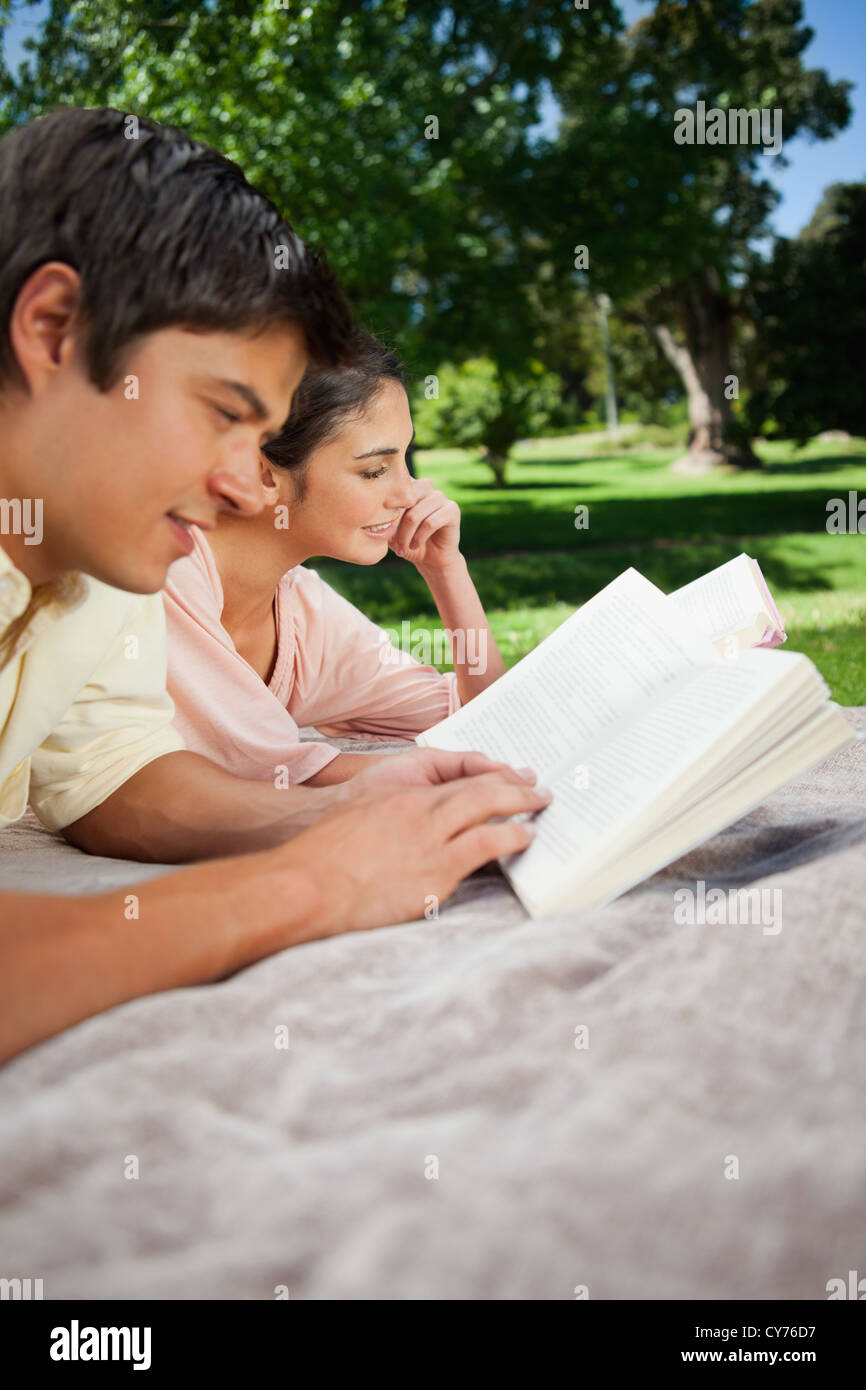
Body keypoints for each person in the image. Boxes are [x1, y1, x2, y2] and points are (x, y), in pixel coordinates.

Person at [0, 107, 550, 1065]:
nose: (238, 481)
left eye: (259, 439)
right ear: (52, 329)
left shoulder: (106, 566)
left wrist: (348, 818)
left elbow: (112, 770)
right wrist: (311, 885)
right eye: (222, 412)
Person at [162, 330, 508, 786]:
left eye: (405, 459)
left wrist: (447, 571)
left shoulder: (305, 617)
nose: (408, 493)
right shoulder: (167, 570)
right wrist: (449, 774)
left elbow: (491, 722)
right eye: (374, 470)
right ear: (263, 474)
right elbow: (259, 763)